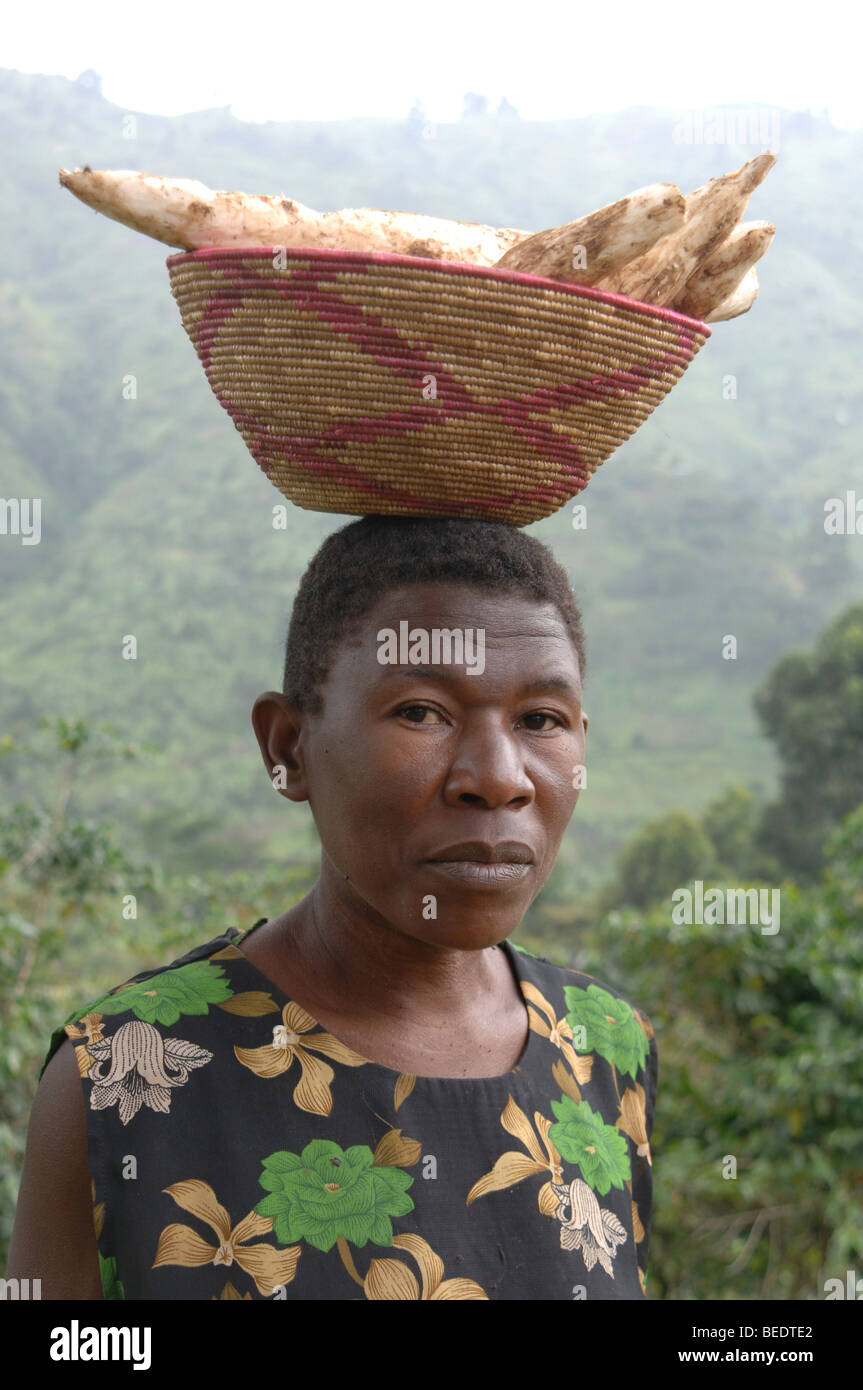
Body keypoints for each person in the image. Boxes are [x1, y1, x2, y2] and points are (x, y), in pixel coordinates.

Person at [7, 514, 658, 1300]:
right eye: (421, 711)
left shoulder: (605, 1045)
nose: (497, 777)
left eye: (540, 721)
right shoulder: (124, 1075)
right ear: (288, 747)